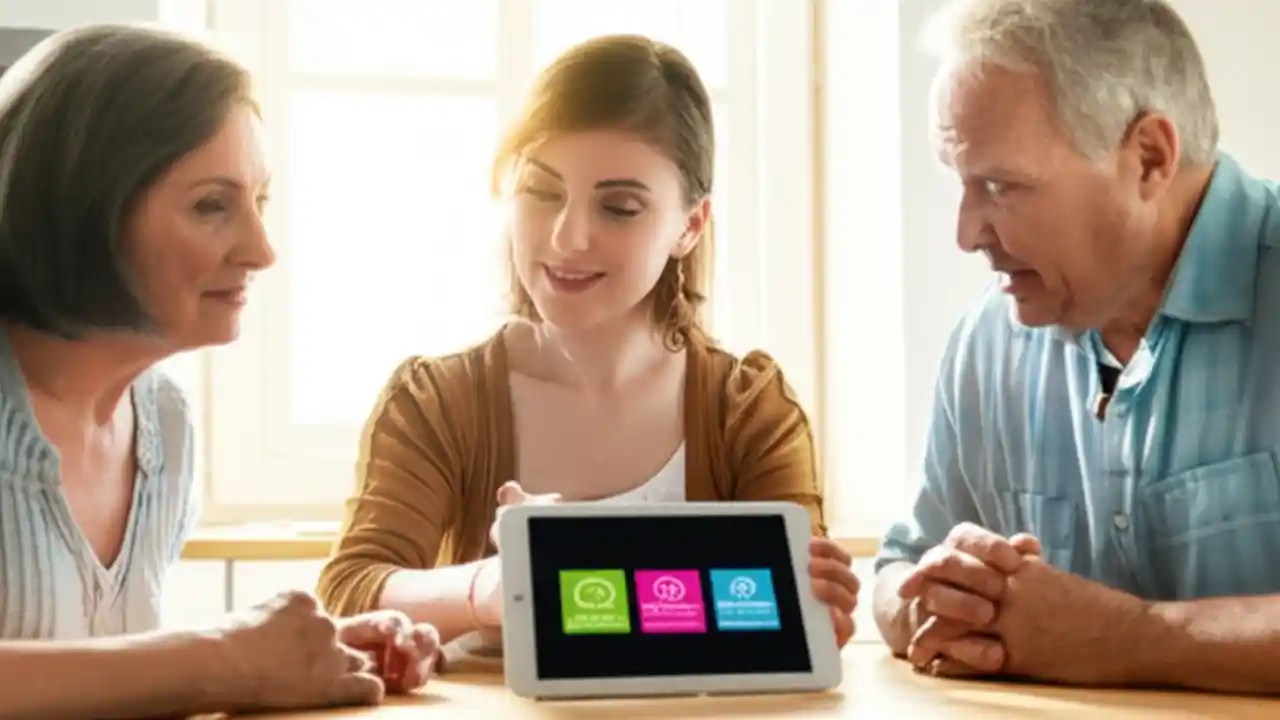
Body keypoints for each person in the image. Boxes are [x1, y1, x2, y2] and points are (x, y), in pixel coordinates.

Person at [316, 34, 860, 653]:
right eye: (543, 192)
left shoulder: (748, 410)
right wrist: (492, 587)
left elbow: (793, 619)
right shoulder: (436, 402)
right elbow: (351, 591)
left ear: (690, 225)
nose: (568, 235)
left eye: (620, 207)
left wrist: (813, 611)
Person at [0, 25, 438, 718]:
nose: (262, 251)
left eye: (259, 202)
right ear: (87, 207)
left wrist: (290, 664)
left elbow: (91, 677)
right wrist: (221, 658)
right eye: (212, 205)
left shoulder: (164, 426)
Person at [873, 0, 1280, 694]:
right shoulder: (986, 342)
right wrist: (936, 603)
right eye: (961, 182)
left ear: (1149, 157)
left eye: (1001, 186)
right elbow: (898, 569)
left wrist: (1125, 637)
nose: (967, 232)